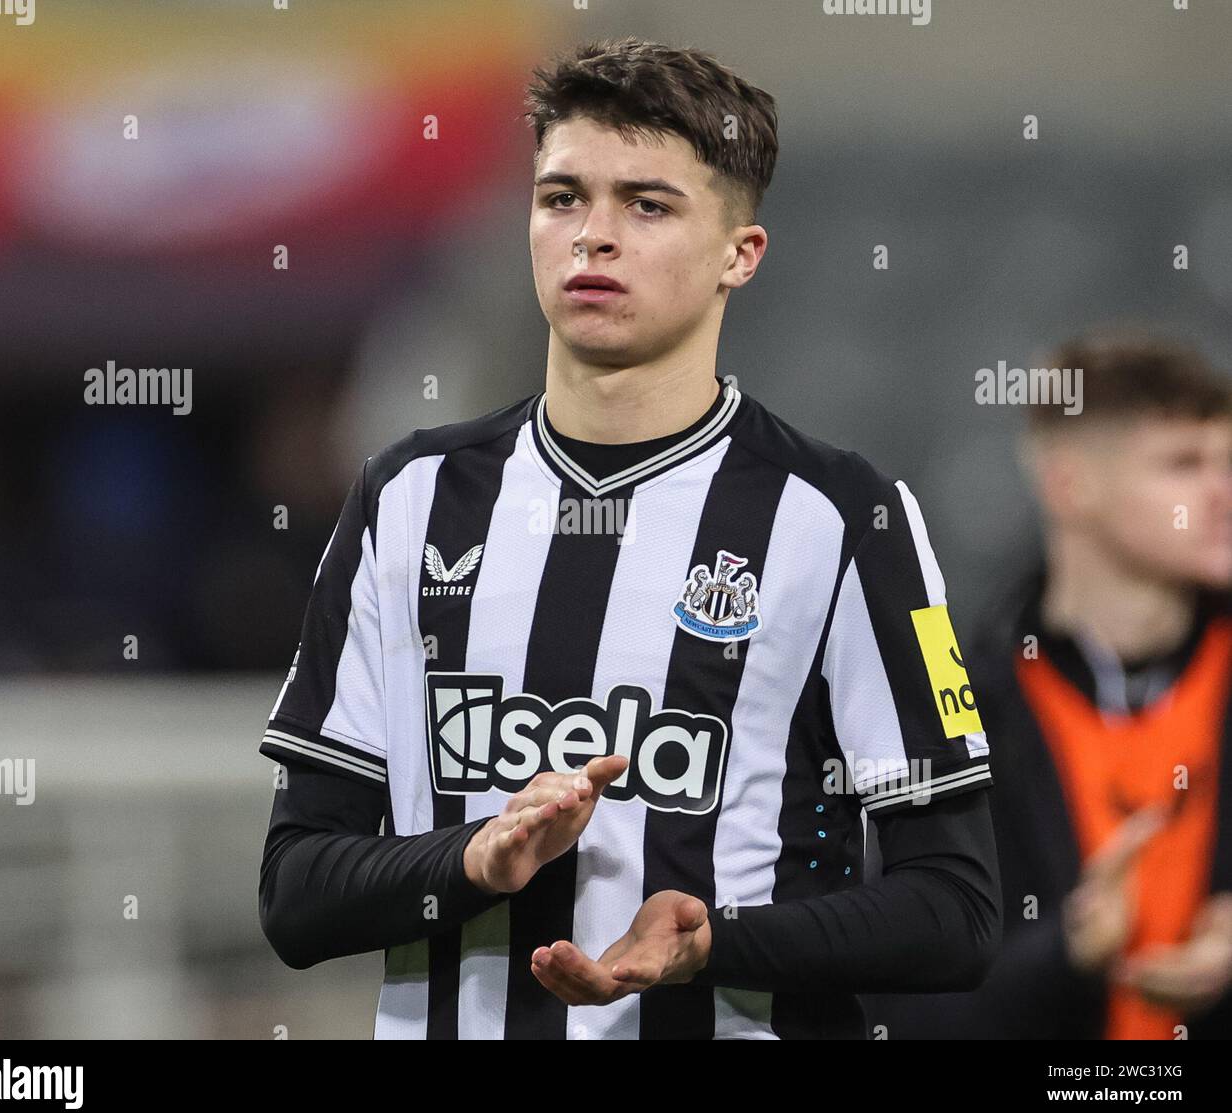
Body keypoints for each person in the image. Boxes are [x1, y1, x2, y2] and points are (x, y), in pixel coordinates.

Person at [257, 37, 999, 1040]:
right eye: (562, 197)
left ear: (741, 253)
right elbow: (296, 891)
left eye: (646, 205)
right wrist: (477, 859)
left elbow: (954, 911)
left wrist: (710, 947)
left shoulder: (841, 515)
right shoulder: (410, 496)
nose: (591, 236)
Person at [863, 333, 1232, 1039]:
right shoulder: (961, 707)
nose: (1222, 492)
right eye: (1183, 464)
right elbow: (890, 1010)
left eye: (1227, 461)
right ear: (1071, 485)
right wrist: (1064, 953)